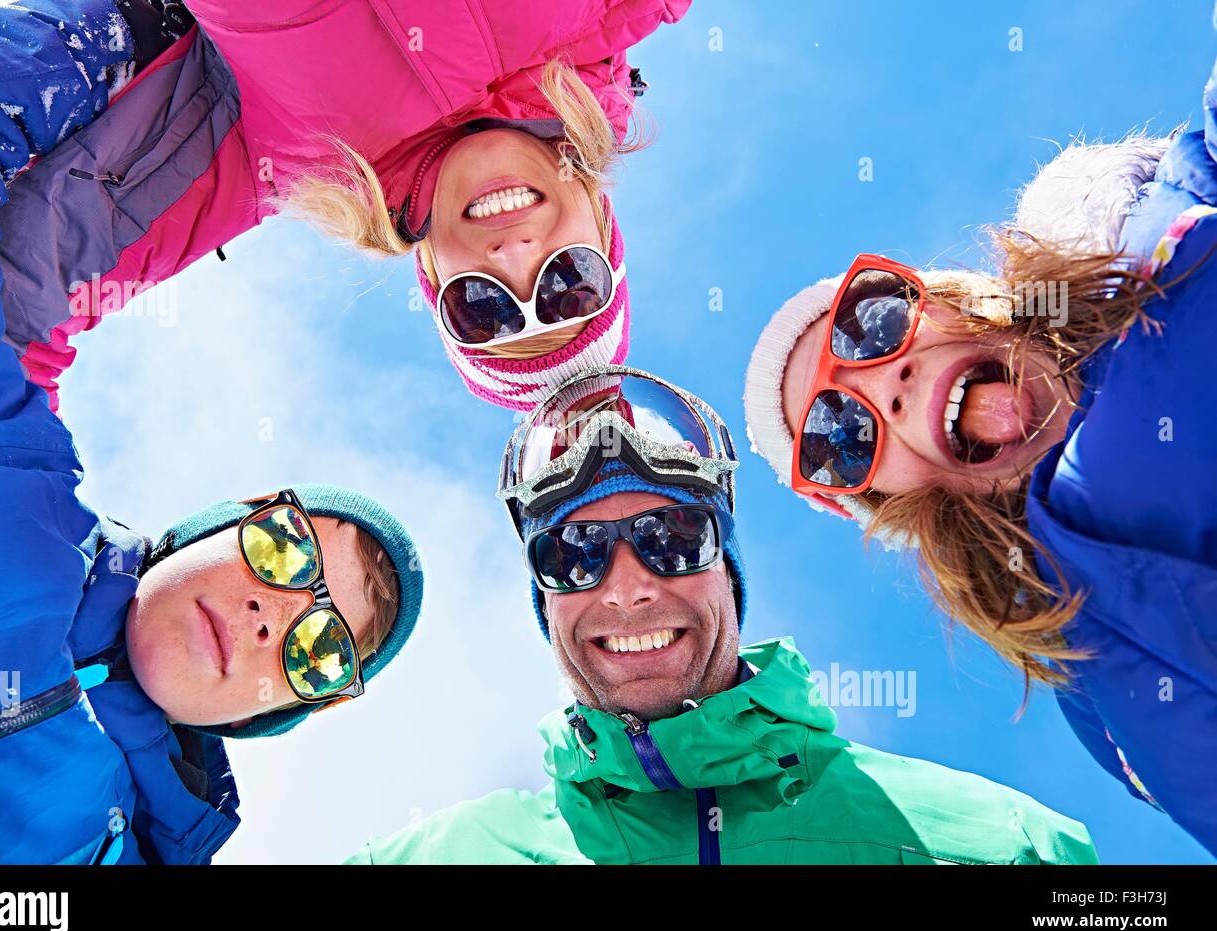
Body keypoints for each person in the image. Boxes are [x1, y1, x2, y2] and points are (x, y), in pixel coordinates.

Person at [0, 3, 425, 864]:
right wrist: (122, 35)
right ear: (221, 524)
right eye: (285, 553)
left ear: (276, 712)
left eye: (320, 649)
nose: (276, 614)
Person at [741, 31, 1217, 855]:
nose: (877, 385)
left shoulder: (1164, 232)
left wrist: (1145, 213)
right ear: (888, 498)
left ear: (949, 304)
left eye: (872, 323)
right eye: (839, 434)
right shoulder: (1092, 666)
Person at [346, 368, 1097, 864]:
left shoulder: (997, 844)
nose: (627, 588)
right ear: (544, 598)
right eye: (575, 554)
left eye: (670, 540)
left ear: (727, 572)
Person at [0, 0, 690, 413]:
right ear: (603, 224)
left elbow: (16, 308)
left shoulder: (288, 155)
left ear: (433, 276)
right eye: (570, 284)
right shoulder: (609, 15)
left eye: (482, 306)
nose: (513, 261)